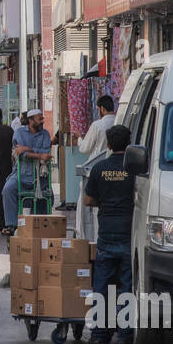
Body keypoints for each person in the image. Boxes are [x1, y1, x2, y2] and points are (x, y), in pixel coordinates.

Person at [83, 124, 136, 344]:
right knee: (127, 284)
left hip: (105, 231)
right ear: (130, 144)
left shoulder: (99, 168)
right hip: (128, 231)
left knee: (102, 284)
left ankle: (99, 334)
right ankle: (125, 334)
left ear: (107, 144)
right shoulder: (135, 170)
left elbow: (88, 200)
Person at [1, 109, 54, 235]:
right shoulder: (19, 132)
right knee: (8, 190)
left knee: (48, 197)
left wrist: (27, 149)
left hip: (40, 176)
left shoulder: (45, 134)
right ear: (31, 120)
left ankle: (40, 225)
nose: (42, 121)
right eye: (39, 119)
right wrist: (38, 155)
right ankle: (11, 225)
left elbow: (46, 153)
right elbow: (19, 154)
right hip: (21, 173)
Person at [77, 96, 117, 241]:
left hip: (94, 171)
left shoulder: (98, 125)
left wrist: (79, 138)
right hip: (116, 170)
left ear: (101, 108)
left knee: (88, 209)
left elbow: (84, 148)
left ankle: (87, 240)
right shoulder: (120, 121)